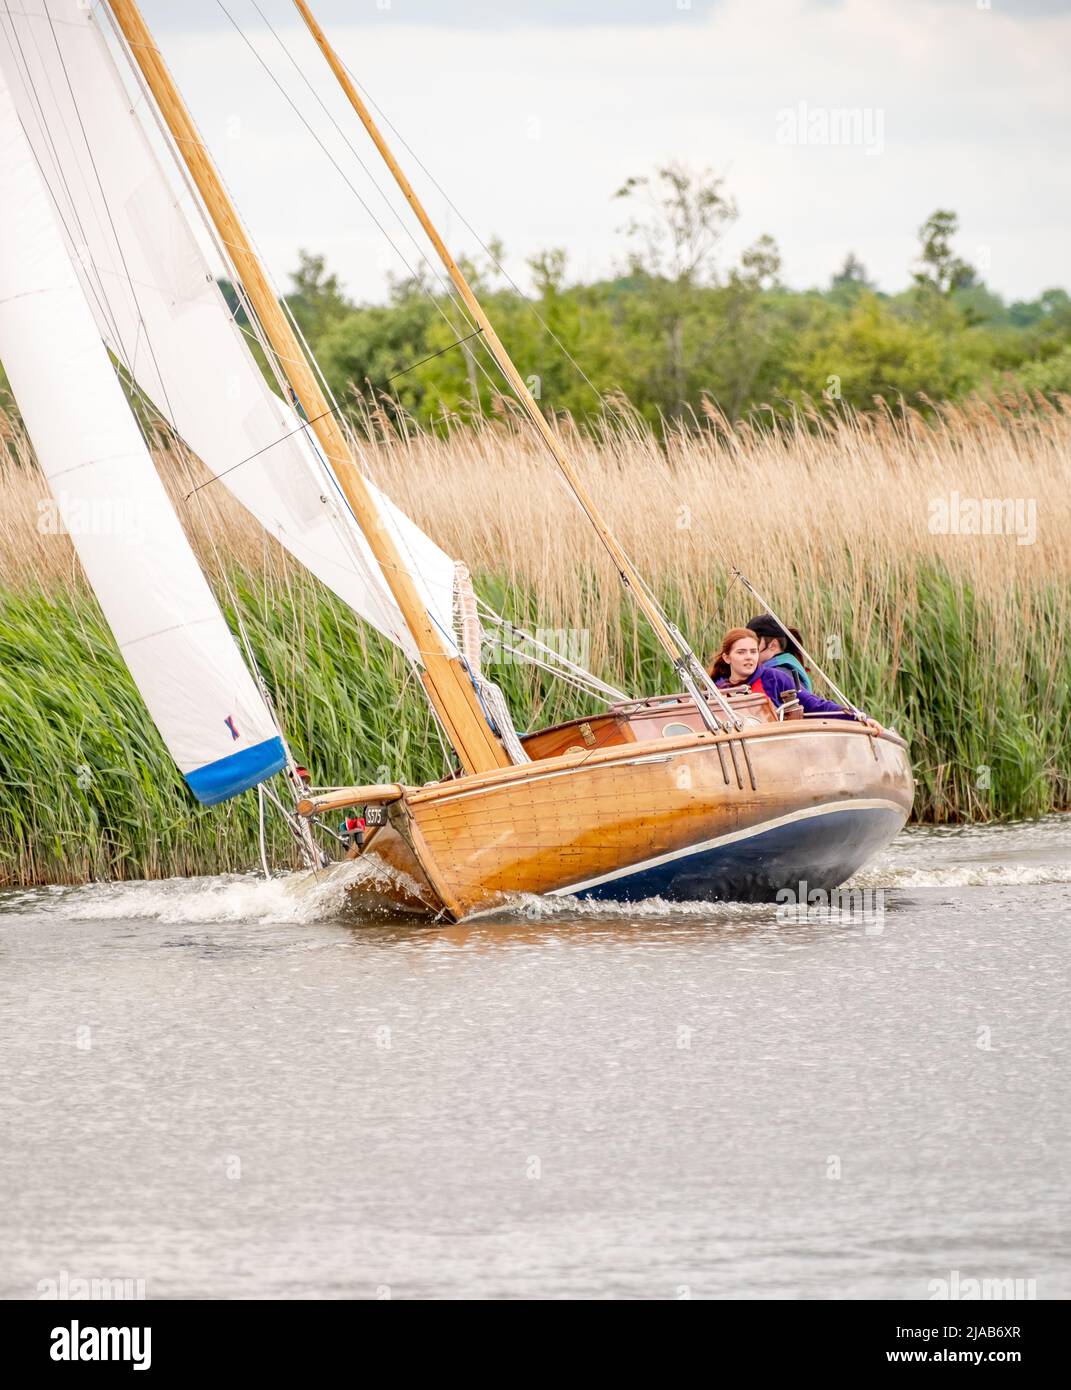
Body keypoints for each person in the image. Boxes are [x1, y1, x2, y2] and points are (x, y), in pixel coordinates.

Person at [711, 627, 883, 733]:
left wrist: (859, 717)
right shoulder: (716, 692)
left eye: (753, 651)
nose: (749, 657)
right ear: (727, 657)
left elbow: (815, 705)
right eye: (741, 652)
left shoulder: (774, 678)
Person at [746, 614, 813, 690]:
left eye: (754, 641)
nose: (749, 647)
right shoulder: (785, 666)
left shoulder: (779, 674)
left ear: (773, 645)